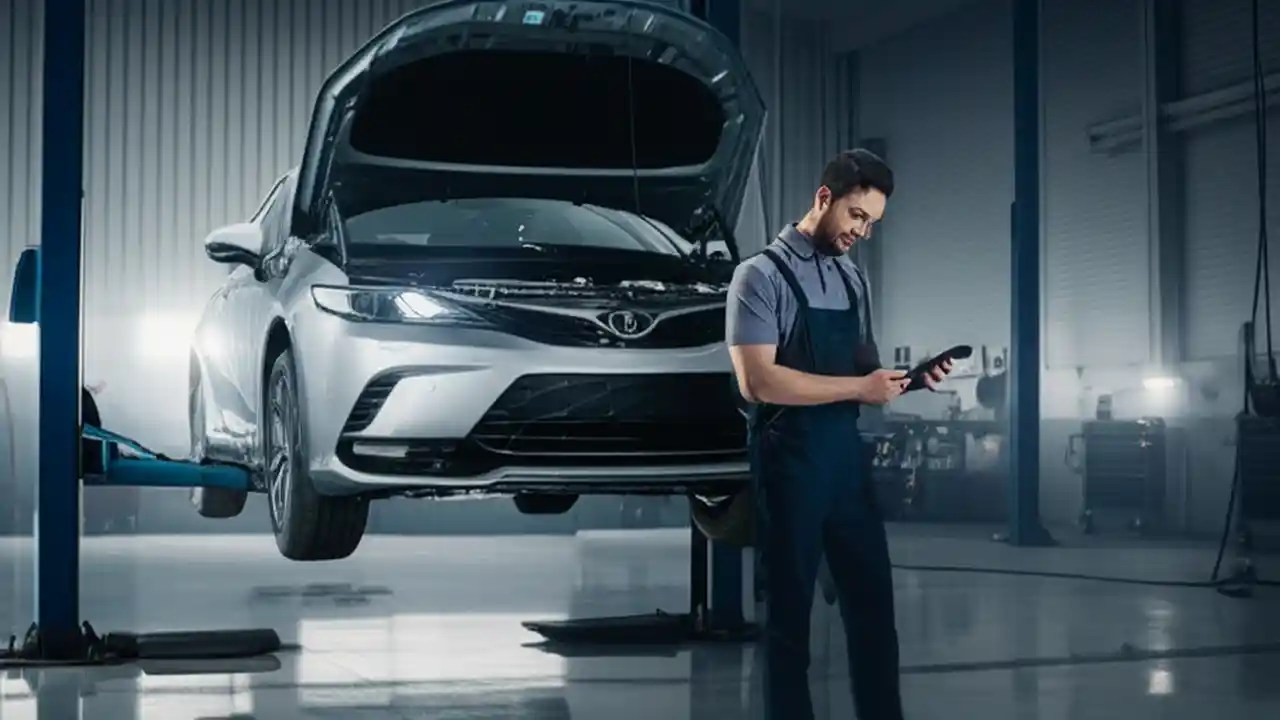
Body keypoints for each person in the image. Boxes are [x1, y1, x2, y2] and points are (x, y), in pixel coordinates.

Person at [726, 148, 951, 719]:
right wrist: (859, 389)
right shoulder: (758, 276)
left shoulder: (853, 279)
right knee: (789, 623)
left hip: (845, 465)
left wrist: (915, 380)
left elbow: (864, 372)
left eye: (872, 223)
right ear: (824, 198)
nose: (862, 232)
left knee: (874, 611)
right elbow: (758, 381)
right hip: (790, 463)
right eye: (856, 216)